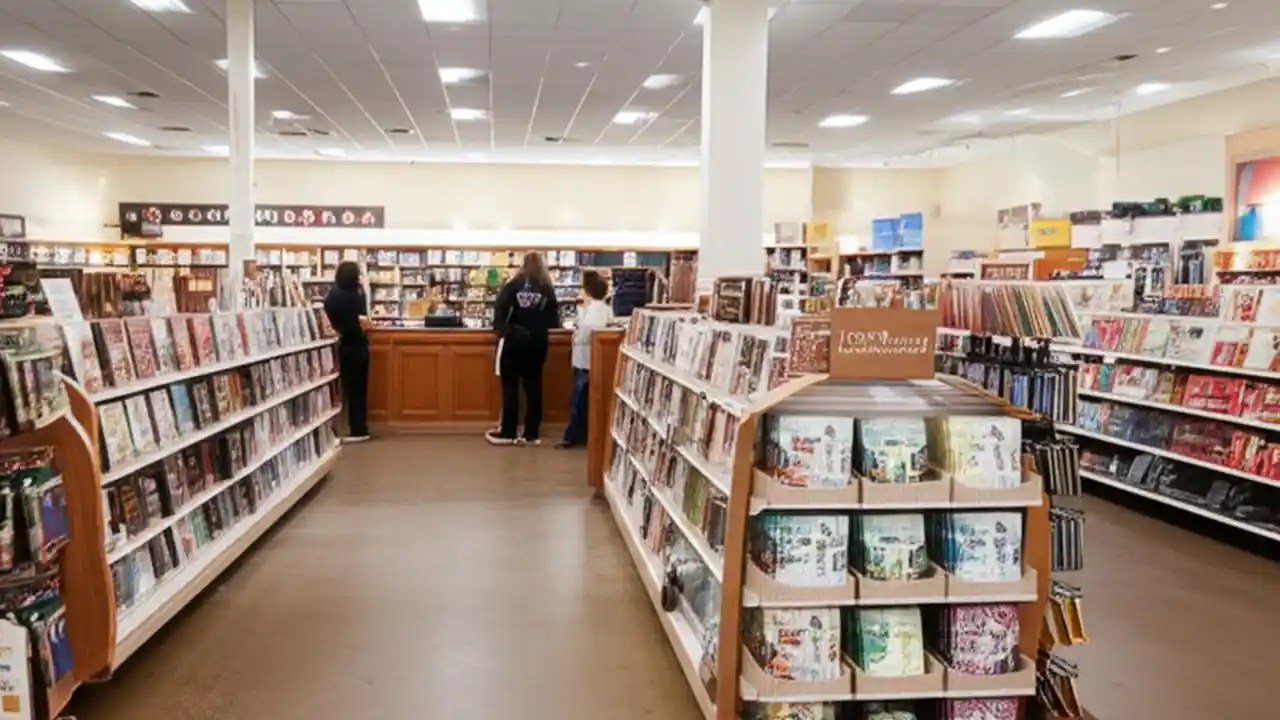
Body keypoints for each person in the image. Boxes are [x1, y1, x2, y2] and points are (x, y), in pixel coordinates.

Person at [487, 253, 560, 446]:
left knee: (510, 386)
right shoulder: (546, 288)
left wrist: (507, 330)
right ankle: (532, 433)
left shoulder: (513, 285)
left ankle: (509, 431)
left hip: (514, 341)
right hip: (537, 343)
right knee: (534, 387)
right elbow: (554, 320)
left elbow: (499, 314)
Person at [558, 272, 612, 449]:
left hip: (584, 361)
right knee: (585, 400)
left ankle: (572, 435)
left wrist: (576, 337)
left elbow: (586, 334)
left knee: (578, 400)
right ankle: (581, 434)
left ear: (588, 291)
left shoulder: (593, 311)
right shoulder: (603, 309)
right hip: (590, 360)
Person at [323, 261, 372, 443]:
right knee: (359, 390)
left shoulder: (332, 295)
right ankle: (359, 428)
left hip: (341, 345)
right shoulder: (358, 294)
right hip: (359, 345)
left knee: (342, 390)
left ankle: (337, 428)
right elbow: (363, 318)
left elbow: (328, 316)